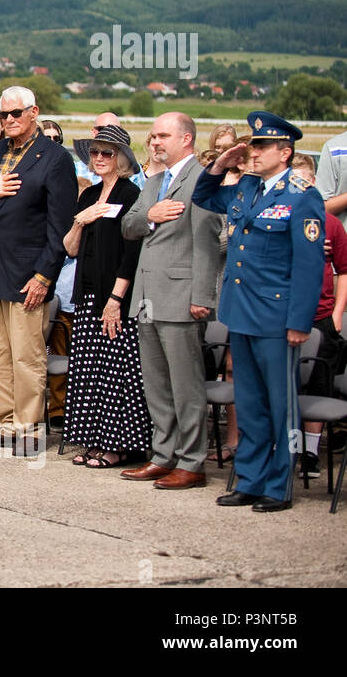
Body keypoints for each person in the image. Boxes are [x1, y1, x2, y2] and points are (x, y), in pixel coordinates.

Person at [195, 111, 325, 512]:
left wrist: (299, 322)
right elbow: (203, 196)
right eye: (252, 145)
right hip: (242, 312)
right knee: (249, 403)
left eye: (261, 146)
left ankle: (278, 485)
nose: (253, 152)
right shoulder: (247, 188)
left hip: (276, 317)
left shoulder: (302, 195)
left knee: (279, 405)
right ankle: (249, 480)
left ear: (284, 152)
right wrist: (220, 164)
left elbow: (308, 265)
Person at [0, 85, 77, 456]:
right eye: (2, 115)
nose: (7, 121)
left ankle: (29, 428)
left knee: (27, 355)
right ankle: (4, 422)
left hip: (29, 274)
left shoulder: (54, 158)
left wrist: (45, 276)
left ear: (33, 113)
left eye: (15, 114)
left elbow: (60, 226)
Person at [119, 112, 222, 489]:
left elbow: (208, 242)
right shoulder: (155, 180)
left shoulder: (202, 180)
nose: (155, 142)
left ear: (187, 139)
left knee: (186, 386)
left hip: (181, 297)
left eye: (163, 136)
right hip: (147, 297)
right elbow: (128, 226)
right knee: (157, 385)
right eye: (152, 136)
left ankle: (192, 462)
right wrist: (151, 214)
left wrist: (202, 297)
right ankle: (163, 455)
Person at [62, 126, 149, 469]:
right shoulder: (88, 195)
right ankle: (93, 440)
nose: (98, 158)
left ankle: (118, 445)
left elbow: (132, 252)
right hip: (85, 292)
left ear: (122, 159)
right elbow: (69, 248)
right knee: (88, 370)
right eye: (95, 152)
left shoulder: (130, 196)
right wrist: (80, 222)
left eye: (107, 153)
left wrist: (116, 299)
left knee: (115, 372)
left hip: (115, 296)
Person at [289, 154, 346, 481]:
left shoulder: (330, 223)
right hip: (285, 317)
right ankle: (290, 447)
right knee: (289, 386)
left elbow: (344, 269)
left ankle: (311, 451)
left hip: (321, 316)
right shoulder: (280, 219)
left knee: (318, 386)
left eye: (305, 182)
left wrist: (338, 313)